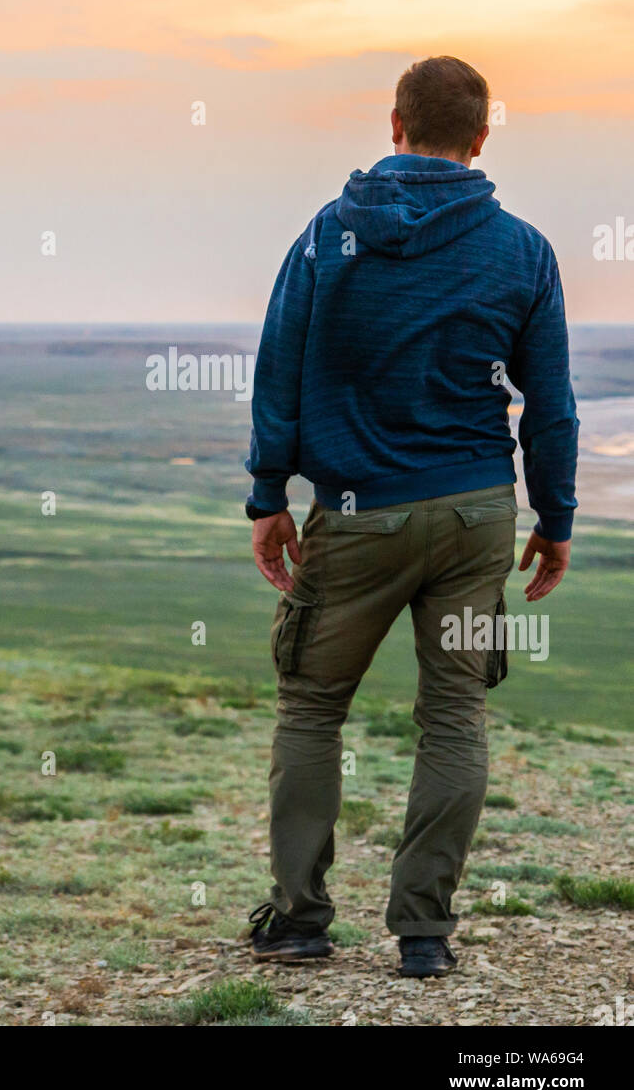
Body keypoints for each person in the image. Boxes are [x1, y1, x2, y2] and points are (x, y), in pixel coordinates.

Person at [244, 55, 578, 977]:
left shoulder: (326, 236)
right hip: (475, 519)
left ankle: (301, 920)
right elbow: (549, 407)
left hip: (355, 518)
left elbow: (278, 368)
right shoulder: (524, 251)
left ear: (394, 125)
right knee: (456, 714)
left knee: (312, 710)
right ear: (481, 138)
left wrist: (269, 494)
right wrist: (555, 517)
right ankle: (423, 932)